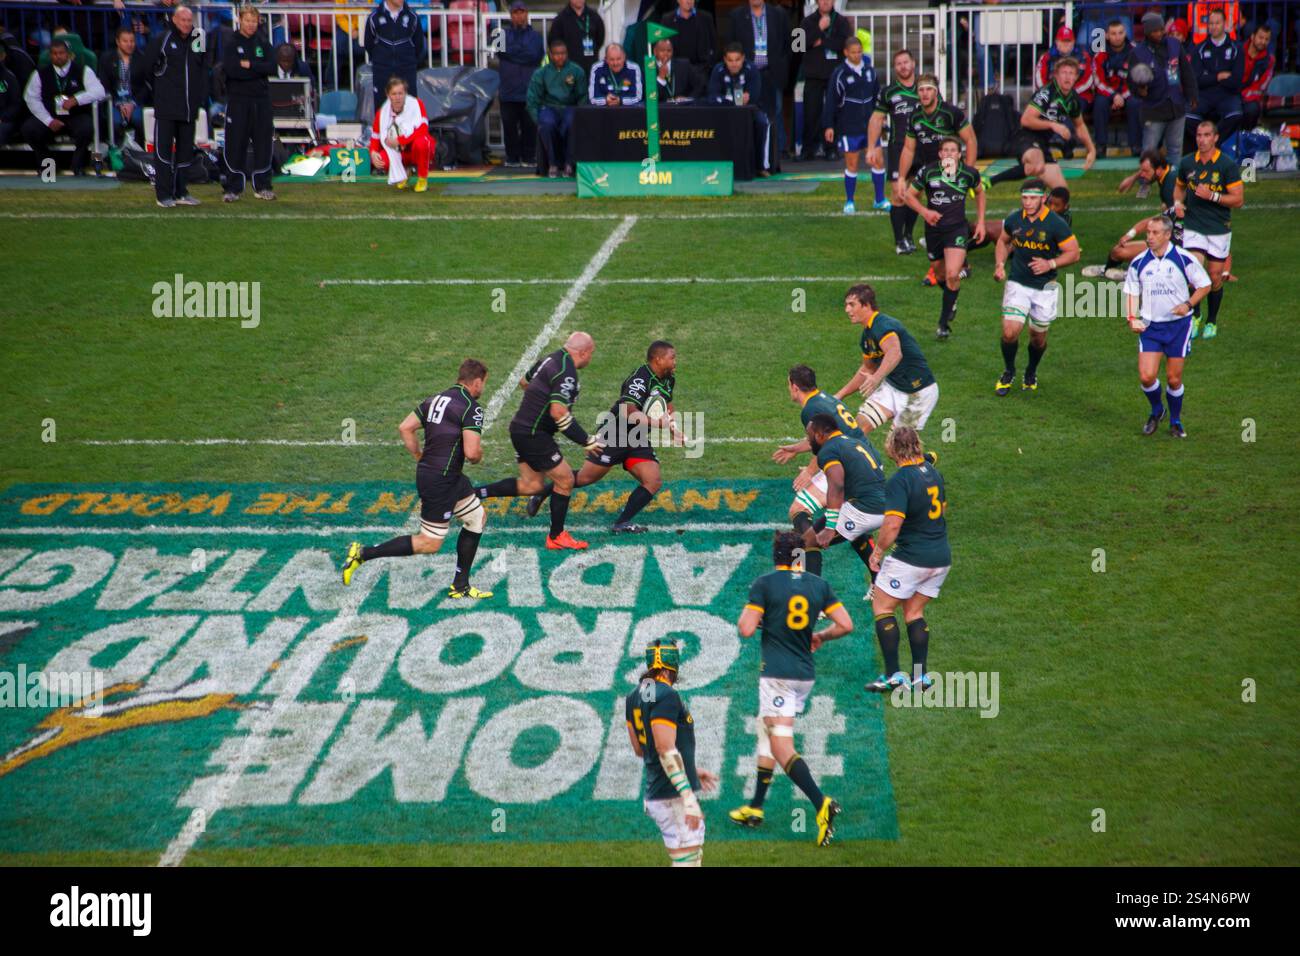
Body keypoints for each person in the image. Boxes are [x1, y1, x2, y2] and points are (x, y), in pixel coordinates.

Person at [730, 531, 851, 846]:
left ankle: (821, 802)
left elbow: (744, 629)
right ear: (800, 555)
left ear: (776, 556)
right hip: (804, 675)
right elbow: (846, 624)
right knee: (766, 730)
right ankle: (755, 808)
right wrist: (821, 636)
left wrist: (759, 617)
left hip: (777, 676)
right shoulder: (818, 585)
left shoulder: (765, 584)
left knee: (782, 744)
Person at [340, 359, 493, 598]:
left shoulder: (433, 400)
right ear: (475, 382)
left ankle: (460, 585)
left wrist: (419, 456)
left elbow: (405, 427)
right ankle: (362, 553)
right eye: (483, 383)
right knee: (429, 542)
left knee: (477, 517)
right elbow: (472, 453)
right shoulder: (471, 407)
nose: (483, 389)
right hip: (441, 480)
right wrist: (478, 455)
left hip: (445, 475)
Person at [527, 340, 681, 534]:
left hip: (637, 437)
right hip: (615, 434)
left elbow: (667, 405)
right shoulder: (640, 379)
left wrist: (674, 429)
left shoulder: (668, 378)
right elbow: (628, 412)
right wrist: (658, 424)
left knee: (653, 480)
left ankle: (622, 523)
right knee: (585, 478)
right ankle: (542, 493)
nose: (675, 361)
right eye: (672, 357)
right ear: (658, 359)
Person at [473, 332, 602, 550]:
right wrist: (586, 440)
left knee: (531, 485)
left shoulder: (551, 358)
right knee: (565, 480)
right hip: (534, 435)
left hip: (521, 429)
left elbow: (525, 382)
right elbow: (559, 412)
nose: (591, 358)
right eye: (591, 353)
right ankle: (556, 536)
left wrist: (538, 402)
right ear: (583, 352)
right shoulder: (566, 371)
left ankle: (471, 495)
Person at [865, 427, 950, 693]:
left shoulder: (900, 480)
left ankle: (893, 675)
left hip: (912, 558)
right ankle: (920, 676)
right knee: (914, 612)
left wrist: (877, 552)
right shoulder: (934, 473)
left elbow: (891, 525)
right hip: (941, 557)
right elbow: (941, 510)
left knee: (882, 606)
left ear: (893, 449)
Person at [626, 638, 719, 867]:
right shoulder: (666, 694)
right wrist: (688, 797)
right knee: (687, 862)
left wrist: (691, 770)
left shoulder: (635, 695)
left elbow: (642, 749)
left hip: (659, 790)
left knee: (690, 859)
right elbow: (663, 748)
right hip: (671, 795)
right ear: (673, 664)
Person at [773, 364, 868, 579]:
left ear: (794, 386)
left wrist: (809, 471)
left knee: (799, 511)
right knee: (848, 522)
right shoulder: (824, 398)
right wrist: (797, 449)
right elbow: (827, 437)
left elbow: (827, 444)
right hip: (862, 461)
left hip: (847, 465)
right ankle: (875, 575)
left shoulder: (810, 410)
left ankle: (811, 583)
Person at [1123, 215, 1211, 439]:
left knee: (1173, 379)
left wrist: (1188, 304)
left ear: (1167, 235)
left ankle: (1175, 421)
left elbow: (1205, 284)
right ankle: (1156, 410)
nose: (1149, 237)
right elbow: (1131, 292)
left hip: (1178, 328)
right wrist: (1132, 317)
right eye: (1148, 233)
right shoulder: (1139, 261)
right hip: (1151, 326)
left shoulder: (1183, 259)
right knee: (1146, 376)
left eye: (1154, 233)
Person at [992, 179, 1080, 395]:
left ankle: (1031, 371)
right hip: (1018, 283)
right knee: (1009, 332)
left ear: (1043, 198)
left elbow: (1074, 253)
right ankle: (1009, 370)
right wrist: (1000, 264)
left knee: (1038, 339)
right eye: (1024, 198)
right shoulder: (1014, 219)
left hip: (1044, 288)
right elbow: (1003, 241)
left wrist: (1050, 263)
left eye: (1032, 198)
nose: (1028, 202)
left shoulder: (1056, 223)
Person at [904, 135, 985, 339]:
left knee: (951, 274)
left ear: (959, 154)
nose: (949, 154)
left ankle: (942, 325)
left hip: (957, 229)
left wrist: (981, 222)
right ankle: (952, 299)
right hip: (934, 230)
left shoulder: (969, 174)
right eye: (945, 150)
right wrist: (925, 212)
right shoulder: (928, 171)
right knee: (940, 274)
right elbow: (908, 195)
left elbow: (980, 193)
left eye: (953, 150)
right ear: (940, 154)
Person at [834, 283, 940, 435]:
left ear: (867, 305)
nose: (847, 310)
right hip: (893, 388)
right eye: (846, 305)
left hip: (918, 394)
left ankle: (926, 459)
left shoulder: (883, 325)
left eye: (852, 305)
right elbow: (868, 368)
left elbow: (895, 353)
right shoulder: (867, 336)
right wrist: (840, 395)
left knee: (897, 449)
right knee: (857, 430)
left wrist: (876, 378)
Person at [1174, 120, 1243, 340]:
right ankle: (1196, 315)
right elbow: (1179, 186)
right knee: (1194, 274)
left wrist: (1212, 196)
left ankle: (1211, 321)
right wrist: (1178, 203)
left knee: (1214, 277)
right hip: (1194, 225)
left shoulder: (1227, 165)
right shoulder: (1187, 163)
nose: (1201, 139)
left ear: (1215, 138)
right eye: (1198, 135)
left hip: (1218, 228)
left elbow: (1238, 200)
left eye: (1206, 135)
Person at [803, 412, 888, 590]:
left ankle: (813, 598)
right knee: (856, 535)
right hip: (881, 505)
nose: (808, 441)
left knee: (807, 542)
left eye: (809, 436)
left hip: (865, 510)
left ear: (820, 435)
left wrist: (830, 527)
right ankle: (878, 581)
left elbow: (837, 484)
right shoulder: (852, 442)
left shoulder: (828, 451)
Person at [135, 5, 208, 207]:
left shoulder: (198, 38)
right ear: (174, 20)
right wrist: (157, 93)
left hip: (189, 108)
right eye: (182, 20)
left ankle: (181, 192)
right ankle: (163, 194)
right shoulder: (163, 39)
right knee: (164, 153)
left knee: (186, 153)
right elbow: (145, 68)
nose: (186, 24)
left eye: (189, 20)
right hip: (167, 107)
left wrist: (200, 96)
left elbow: (202, 66)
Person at [987, 57, 1096, 192]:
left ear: (1076, 77)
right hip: (1024, 137)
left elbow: (1080, 125)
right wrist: (1053, 125)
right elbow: (1026, 120)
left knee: (1062, 195)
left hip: (1043, 143)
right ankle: (988, 182)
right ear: (1055, 75)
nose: (1067, 77)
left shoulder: (1073, 99)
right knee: (1036, 166)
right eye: (1064, 72)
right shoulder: (1046, 93)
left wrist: (1091, 150)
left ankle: (1042, 209)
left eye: (1071, 73)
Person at [894, 73, 977, 240]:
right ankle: (907, 239)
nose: (924, 93)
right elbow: (909, 148)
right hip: (929, 168)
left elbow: (971, 140)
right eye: (921, 90)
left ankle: (965, 239)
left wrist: (968, 169)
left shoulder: (951, 112)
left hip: (951, 169)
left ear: (936, 91)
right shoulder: (915, 116)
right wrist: (901, 177)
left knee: (950, 208)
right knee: (916, 198)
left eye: (929, 89)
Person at [1085, 149, 1181, 279]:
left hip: (1176, 243)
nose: (1142, 175)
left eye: (1145, 171)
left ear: (1158, 170)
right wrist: (1136, 176)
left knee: (1117, 252)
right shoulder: (1167, 168)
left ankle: (1131, 274)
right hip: (1179, 235)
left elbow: (1158, 222)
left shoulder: (1169, 188)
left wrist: (1130, 235)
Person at [21, 37, 107, 177]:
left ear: (68, 54)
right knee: (29, 129)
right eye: (54, 53)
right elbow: (31, 98)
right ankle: (48, 164)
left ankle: (77, 166)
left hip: (75, 115)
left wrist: (77, 100)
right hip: (50, 116)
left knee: (87, 128)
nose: (58, 56)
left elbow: (99, 92)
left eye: (61, 53)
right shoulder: (40, 73)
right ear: (50, 55)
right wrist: (48, 120)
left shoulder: (83, 71)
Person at [1127, 11, 1196, 174]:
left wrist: (1192, 95)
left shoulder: (1174, 44)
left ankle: (1173, 182)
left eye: (1160, 29)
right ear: (1147, 32)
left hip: (1176, 105)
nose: (1159, 33)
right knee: (1149, 151)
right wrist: (1140, 91)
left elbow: (1187, 72)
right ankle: (1145, 181)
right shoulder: (1137, 53)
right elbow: (1131, 83)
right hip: (1153, 109)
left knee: (1175, 150)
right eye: (1154, 31)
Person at [221, 5, 276, 202]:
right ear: (240, 20)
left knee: (263, 143)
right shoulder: (231, 42)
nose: (251, 25)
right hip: (238, 100)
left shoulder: (263, 41)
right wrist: (256, 70)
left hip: (261, 100)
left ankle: (263, 186)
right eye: (247, 20)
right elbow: (232, 70)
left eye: (254, 21)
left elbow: (271, 66)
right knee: (236, 143)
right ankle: (233, 188)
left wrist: (250, 65)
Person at [730, 0, 790, 172]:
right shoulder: (736, 15)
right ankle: (751, 151)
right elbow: (732, 45)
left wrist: (784, 64)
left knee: (776, 109)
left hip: (772, 72)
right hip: (748, 72)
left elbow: (790, 41)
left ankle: (777, 151)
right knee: (748, 109)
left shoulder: (779, 14)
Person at [869, 49, 920, 246]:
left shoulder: (925, 88)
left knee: (915, 194)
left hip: (922, 150)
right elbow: (876, 119)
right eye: (898, 63)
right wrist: (872, 147)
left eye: (906, 62)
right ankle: (899, 241)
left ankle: (909, 236)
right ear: (894, 68)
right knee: (899, 196)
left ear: (913, 63)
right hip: (898, 149)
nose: (903, 66)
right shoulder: (888, 92)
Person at [822, 35, 876, 215]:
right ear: (846, 53)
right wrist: (829, 125)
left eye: (860, 52)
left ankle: (880, 199)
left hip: (870, 127)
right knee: (852, 164)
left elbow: (877, 97)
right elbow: (830, 101)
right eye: (853, 52)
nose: (857, 55)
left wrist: (880, 121)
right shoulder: (839, 74)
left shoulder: (870, 70)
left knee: (878, 161)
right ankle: (850, 201)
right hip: (849, 127)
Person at [708, 42, 770, 177]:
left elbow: (755, 95)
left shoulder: (752, 69)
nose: (734, 64)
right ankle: (715, 165)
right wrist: (729, 100)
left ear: (743, 58)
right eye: (730, 60)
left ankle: (760, 166)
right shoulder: (718, 70)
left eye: (737, 60)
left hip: (750, 111)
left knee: (762, 122)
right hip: (724, 112)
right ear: (725, 59)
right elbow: (712, 96)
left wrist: (748, 98)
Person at [799, 0, 851, 163]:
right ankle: (808, 150)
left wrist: (822, 42)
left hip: (834, 75)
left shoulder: (842, 21)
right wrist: (818, 29)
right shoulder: (806, 21)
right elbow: (797, 45)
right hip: (813, 75)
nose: (825, 1)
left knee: (832, 113)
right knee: (810, 113)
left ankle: (831, 149)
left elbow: (846, 44)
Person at [526, 36, 585, 178]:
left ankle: (569, 164)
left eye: (563, 53)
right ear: (550, 55)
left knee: (572, 123)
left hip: (569, 107)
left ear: (567, 53)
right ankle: (552, 164)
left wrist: (581, 114)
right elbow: (532, 100)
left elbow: (583, 96)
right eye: (557, 54)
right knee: (546, 124)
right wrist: (537, 119)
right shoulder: (541, 73)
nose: (560, 57)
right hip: (549, 107)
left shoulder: (576, 71)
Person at [1187, 8, 1243, 149]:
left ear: (1225, 24)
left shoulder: (1236, 48)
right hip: (1204, 95)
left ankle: (1212, 144)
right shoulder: (1199, 49)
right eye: (1211, 23)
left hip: (1227, 95)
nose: (1213, 26)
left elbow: (1236, 81)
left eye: (1217, 23)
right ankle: (1206, 146)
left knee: (1236, 115)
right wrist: (1219, 76)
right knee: (1188, 117)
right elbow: (1197, 81)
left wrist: (1209, 77)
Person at [496, 0, 542, 168]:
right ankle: (512, 158)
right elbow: (500, 54)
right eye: (516, 12)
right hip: (508, 89)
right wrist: (523, 55)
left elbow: (535, 56)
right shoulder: (499, 34)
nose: (519, 15)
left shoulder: (536, 36)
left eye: (522, 11)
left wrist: (512, 53)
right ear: (511, 15)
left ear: (527, 14)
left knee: (529, 126)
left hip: (529, 90)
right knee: (509, 126)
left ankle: (529, 157)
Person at [372, 75, 436, 192]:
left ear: (405, 93)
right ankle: (405, 172)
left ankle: (422, 178)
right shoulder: (381, 113)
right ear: (388, 95)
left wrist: (400, 140)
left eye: (400, 93)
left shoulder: (417, 105)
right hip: (398, 151)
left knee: (423, 142)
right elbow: (375, 136)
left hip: (415, 148)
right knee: (381, 160)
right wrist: (373, 152)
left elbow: (423, 128)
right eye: (394, 94)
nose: (397, 97)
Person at [364, 0, 424, 115]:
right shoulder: (374, 17)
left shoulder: (413, 17)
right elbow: (369, 44)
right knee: (382, 107)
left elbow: (419, 45)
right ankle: (383, 133)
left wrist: (407, 61)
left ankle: (409, 133)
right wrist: (381, 59)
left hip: (406, 68)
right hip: (382, 69)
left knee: (410, 105)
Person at [1091, 18, 1141, 156]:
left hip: (1128, 92)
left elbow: (1137, 79)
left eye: (1120, 33)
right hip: (1108, 92)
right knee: (1100, 102)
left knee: (1135, 103)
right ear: (1106, 35)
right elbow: (1097, 80)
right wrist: (1114, 96)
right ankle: (1101, 146)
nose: (1117, 37)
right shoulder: (1100, 53)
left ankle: (1136, 145)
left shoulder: (1135, 52)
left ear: (1125, 33)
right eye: (1113, 33)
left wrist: (1122, 96)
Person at [98, 25, 149, 146]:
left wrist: (133, 103)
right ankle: (115, 153)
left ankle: (140, 153)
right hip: (114, 101)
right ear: (117, 42)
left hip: (135, 101)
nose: (129, 44)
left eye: (132, 41)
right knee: (114, 122)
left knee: (139, 120)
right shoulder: (107, 59)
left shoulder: (142, 58)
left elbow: (146, 86)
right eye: (125, 41)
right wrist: (118, 103)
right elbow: (104, 85)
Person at [661, 0, 715, 92]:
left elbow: (714, 45)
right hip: (676, 73)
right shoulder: (667, 19)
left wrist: (707, 67)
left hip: (701, 71)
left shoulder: (706, 18)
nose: (689, 1)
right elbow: (662, 46)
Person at [1035, 24, 1094, 107]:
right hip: (1052, 94)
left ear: (1073, 42)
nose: (1066, 44)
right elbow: (1039, 80)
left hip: (1078, 94)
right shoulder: (1046, 57)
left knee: (1072, 106)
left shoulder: (1084, 56)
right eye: (1063, 41)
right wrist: (1052, 93)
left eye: (1068, 41)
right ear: (1057, 42)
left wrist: (1069, 93)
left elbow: (1088, 80)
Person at [552, 0, 605, 79]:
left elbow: (600, 39)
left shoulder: (594, 17)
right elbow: (554, 42)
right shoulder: (560, 19)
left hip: (590, 67)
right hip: (569, 69)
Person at [1240, 23, 1275, 131]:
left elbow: (1262, 86)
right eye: (1260, 37)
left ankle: (1247, 139)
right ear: (1252, 36)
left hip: (1250, 97)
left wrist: (1244, 95)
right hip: (1232, 93)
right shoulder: (1238, 50)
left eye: (1266, 39)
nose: (1263, 42)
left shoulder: (1269, 60)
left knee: (1252, 109)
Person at [649, 37, 701, 103]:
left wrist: (688, 98)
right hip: (661, 109)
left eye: (669, 50)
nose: (666, 53)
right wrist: (660, 78)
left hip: (683, 108)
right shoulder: (649, 69)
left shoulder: (684, 65)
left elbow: (699, 86)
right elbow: (651, 98)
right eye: (662, 50)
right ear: (655, 51)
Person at [0, 46, 21, 149]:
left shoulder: (9, 78)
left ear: (2, 56)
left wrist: (2, 117)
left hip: (4, 120)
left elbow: (15, 105)